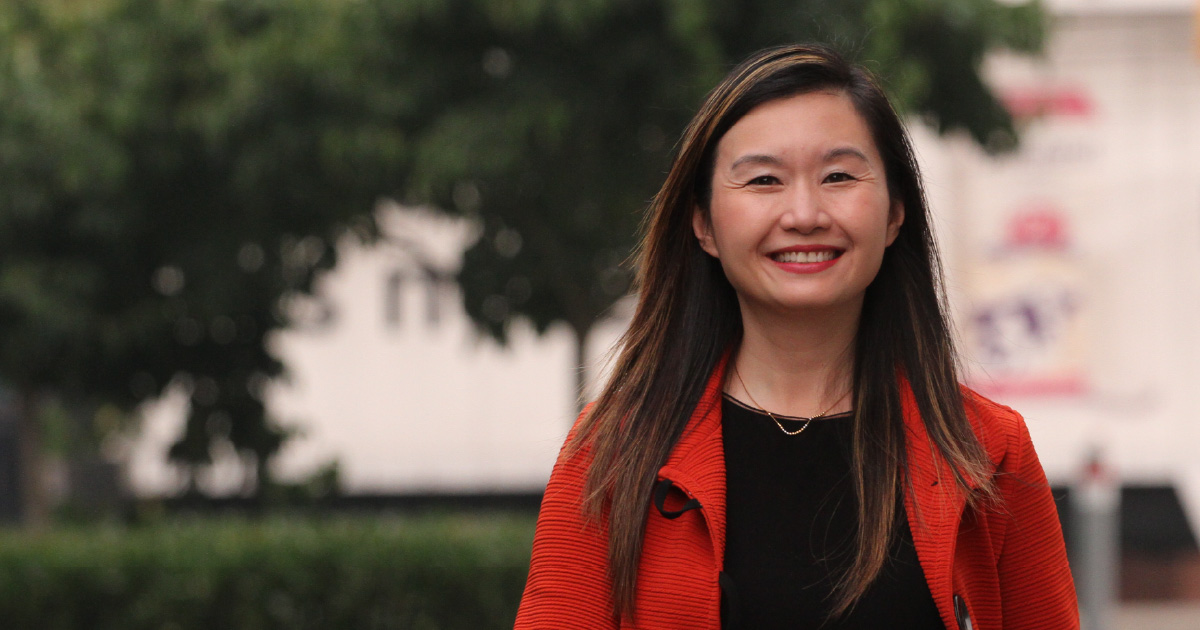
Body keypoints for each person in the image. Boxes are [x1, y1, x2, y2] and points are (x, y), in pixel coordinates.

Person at [515, 44, 1078, 630]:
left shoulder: (988, 453)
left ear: (894, 213)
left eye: (838, 176)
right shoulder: (616, 455)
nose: (804, 214)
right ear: (703, 223)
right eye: (764, 180)